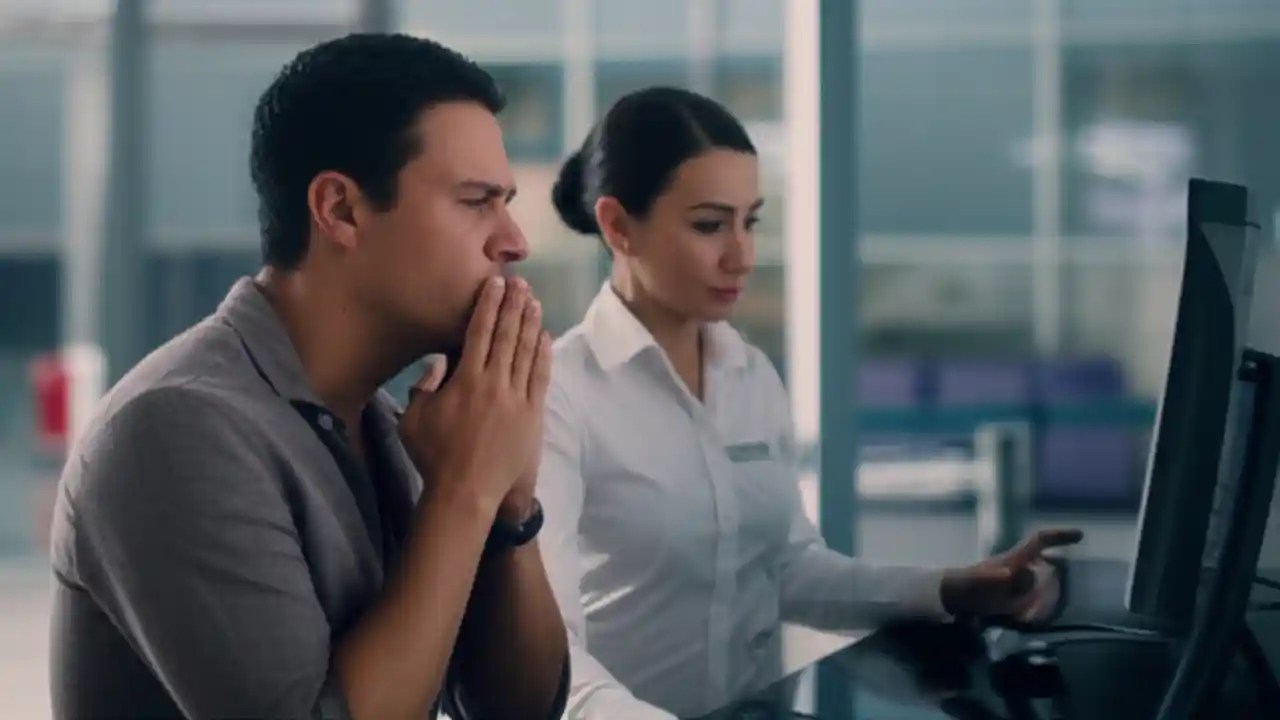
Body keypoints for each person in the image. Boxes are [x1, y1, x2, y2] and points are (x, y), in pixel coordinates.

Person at [48, 34, 569, 720]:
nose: (514, 240)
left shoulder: (386, 425)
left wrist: (509, 504)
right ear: (340, 210)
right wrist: (465, 491)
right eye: (477, 201)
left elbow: (517, 711)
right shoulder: (179, 428)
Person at [537, 86, 1082, 719]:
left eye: (751, 221)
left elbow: (789, 571)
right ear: (618, 226)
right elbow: (548, 658)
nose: (742, 255)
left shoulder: (749, 376)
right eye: (710, 225)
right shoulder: (560, 393)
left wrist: (953, 588)